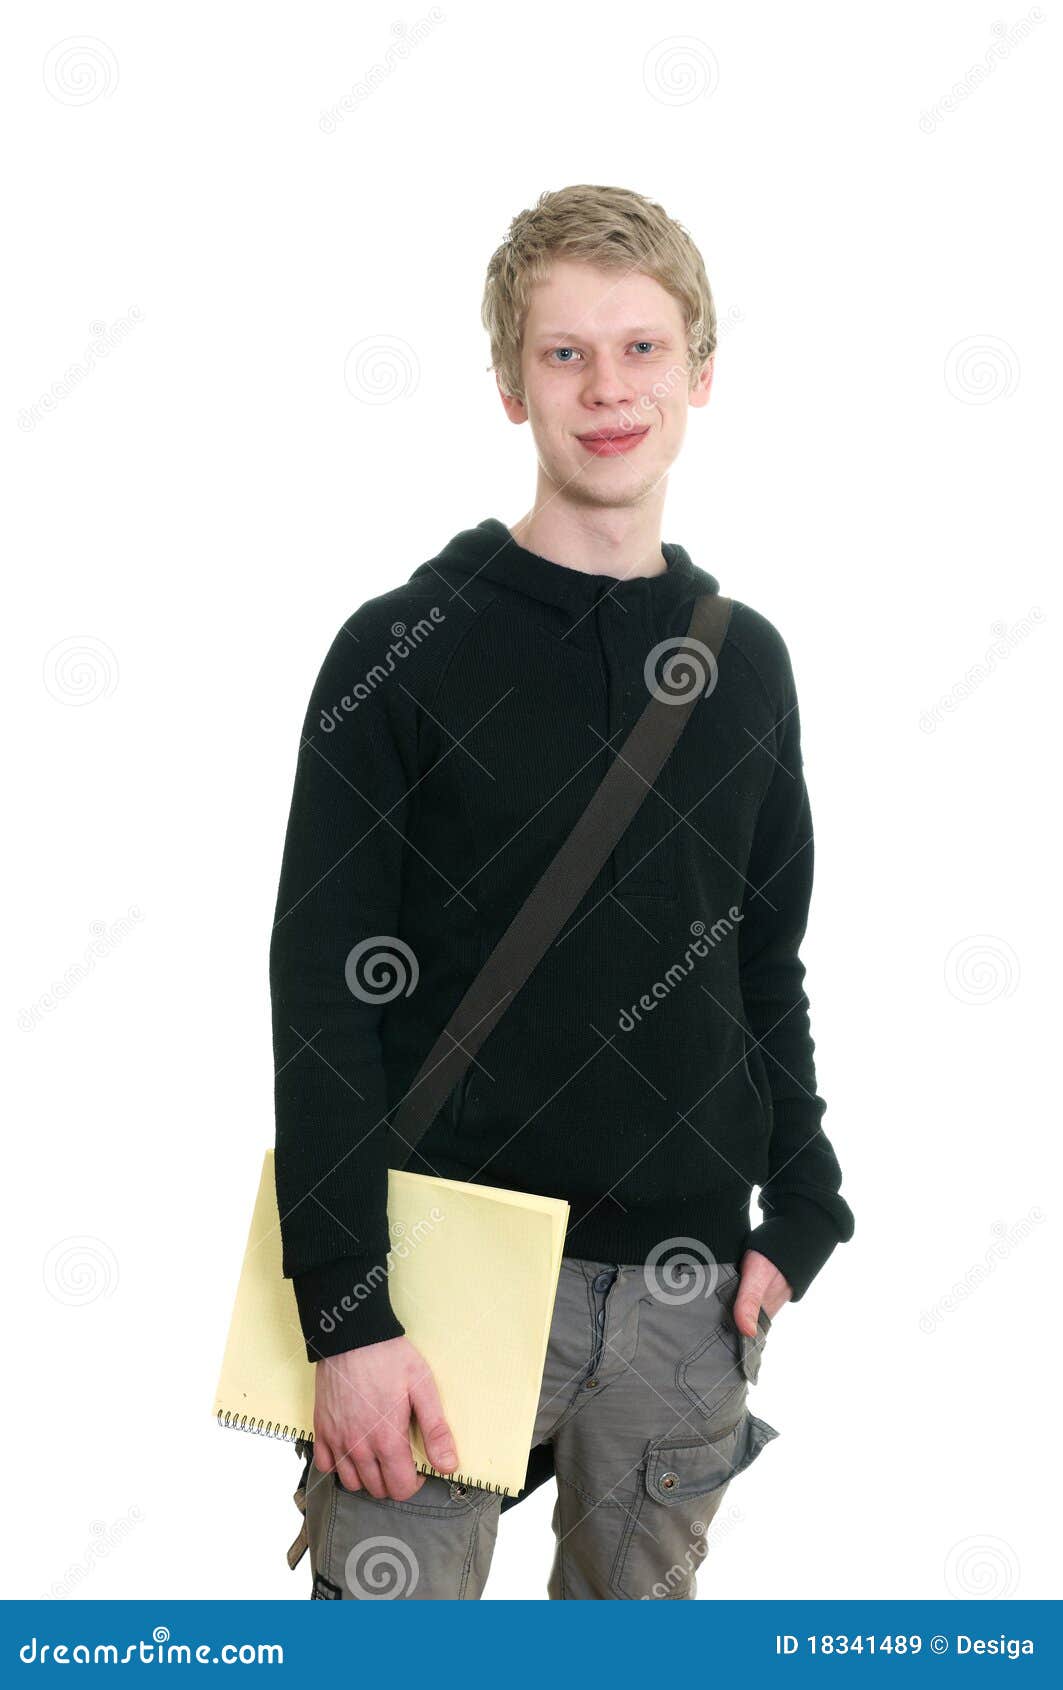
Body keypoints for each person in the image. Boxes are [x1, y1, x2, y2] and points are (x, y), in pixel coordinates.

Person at [269, 183, 854, 1600]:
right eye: (566, 353)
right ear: (509, 384)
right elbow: (320, 1003)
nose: (610, 389)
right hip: (440, 1291)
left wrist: (809, 1206)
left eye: (644, 348)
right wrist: (347, 1312)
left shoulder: (746, 663)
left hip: (683, 1301)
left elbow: (761, 966)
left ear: (701, 374)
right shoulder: (401, 648)